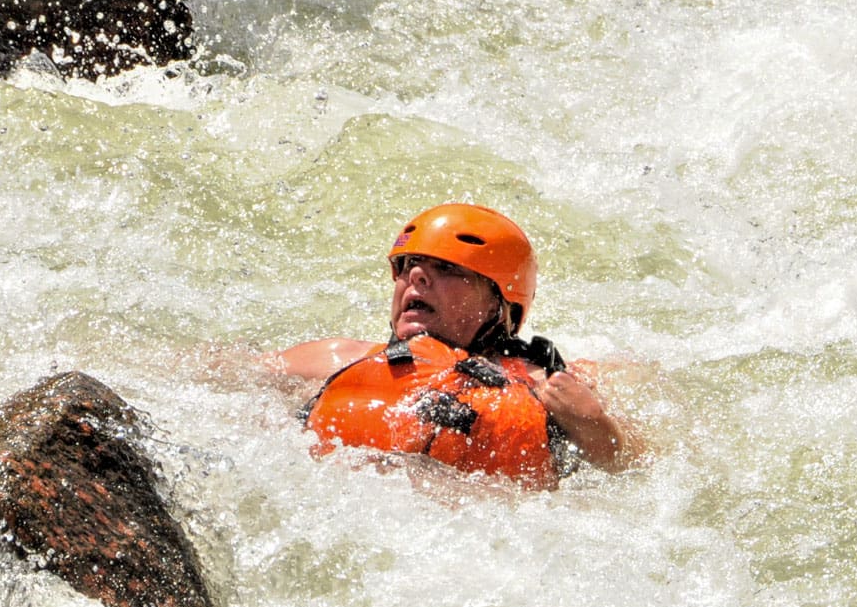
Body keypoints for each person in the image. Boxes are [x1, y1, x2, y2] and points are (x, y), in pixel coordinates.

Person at [270, 203, 642, 487]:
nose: (416, 276)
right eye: (408, 264)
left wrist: (594, 428)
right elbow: (221, 379)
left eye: (448, 269)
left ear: (501, 303)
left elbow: (642, 471)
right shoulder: (339, 360)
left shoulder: (560, 387)